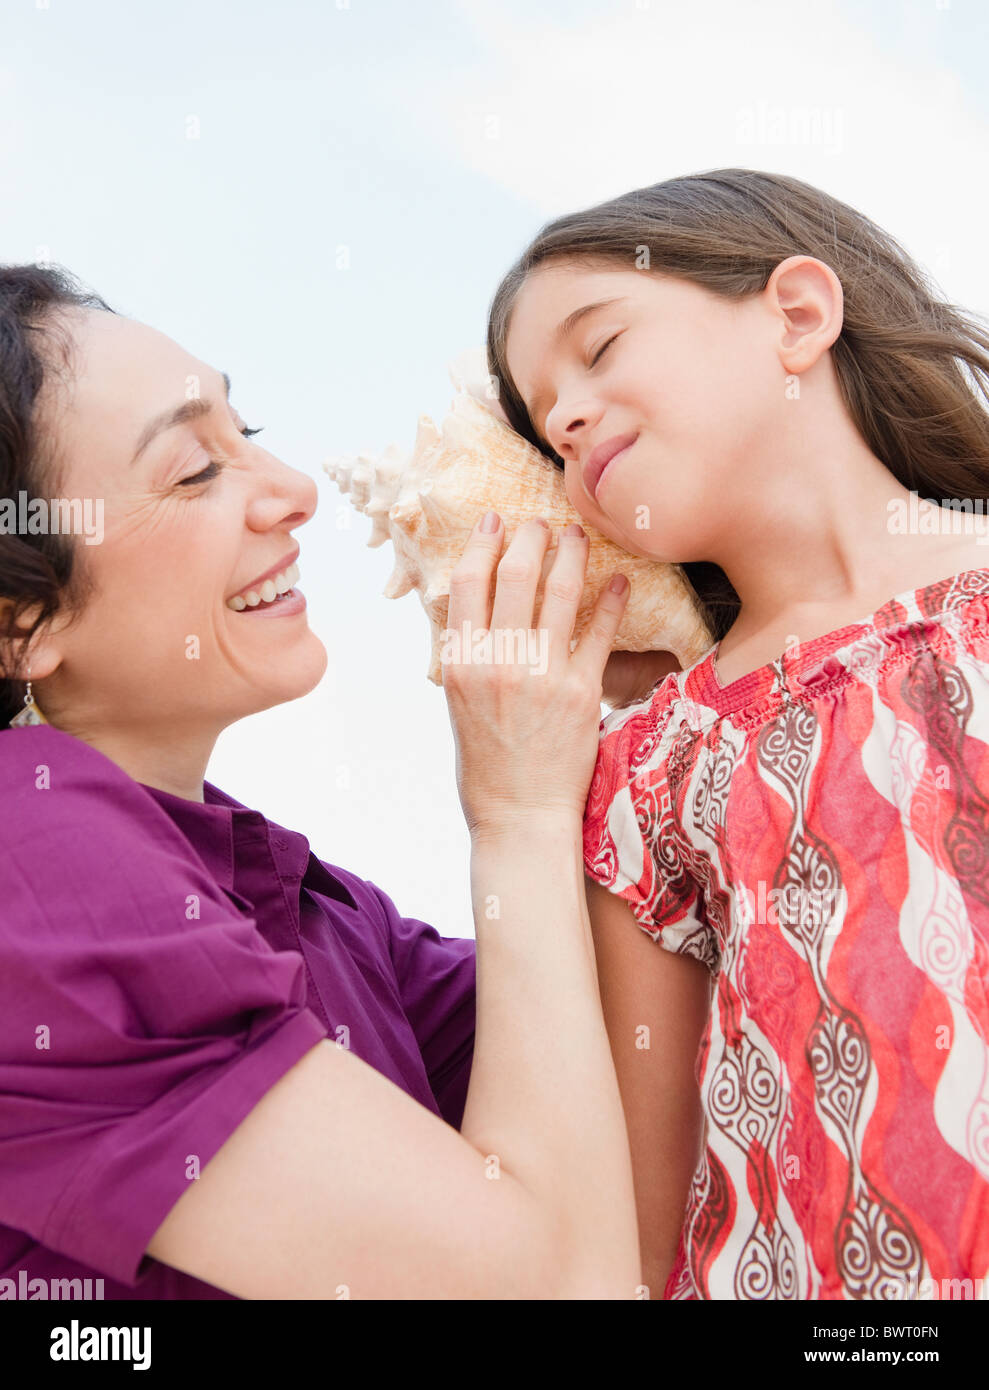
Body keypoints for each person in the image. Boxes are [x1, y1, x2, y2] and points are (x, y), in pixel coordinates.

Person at [0, 264, 643, 1299]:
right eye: (191, 470)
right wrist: (517, 810)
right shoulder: (25, 862)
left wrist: (682, 683)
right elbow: (560, 1283)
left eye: (243, 431)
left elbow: (638, 1047)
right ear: (19, 621)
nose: (292, 489)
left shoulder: (313, 905)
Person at [486, 167, 989, 1300]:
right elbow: (633, 1216)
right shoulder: (647, 770)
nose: (563, 416)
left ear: (797, 316)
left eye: (599, 347)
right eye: (541, 423)